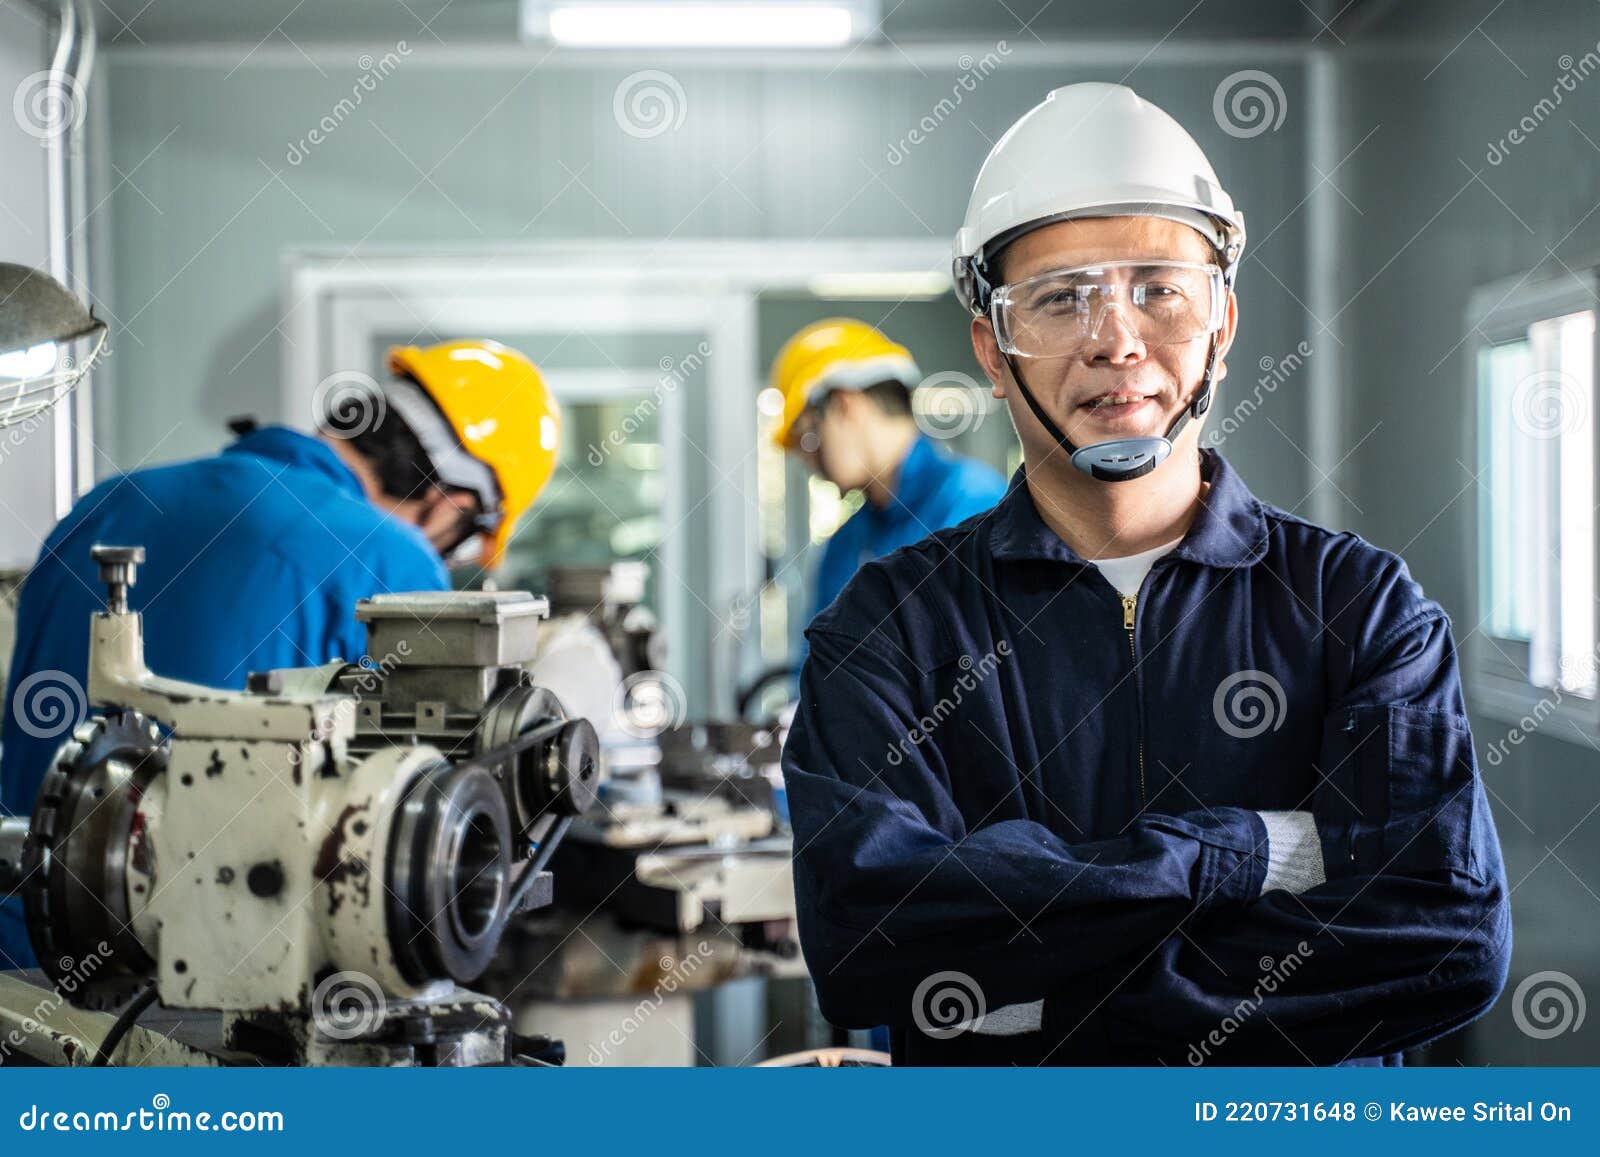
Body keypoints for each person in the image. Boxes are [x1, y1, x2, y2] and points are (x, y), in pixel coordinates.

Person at [782, 83, 1511, 1065]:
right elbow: (866, 942)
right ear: (993, 351)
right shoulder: (886, 625)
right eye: (1057, 297)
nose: (1117, 340)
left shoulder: (1360, 608)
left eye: (1160, 288)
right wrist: (1255, 852)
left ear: (1221, 323)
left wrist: (1053, 998)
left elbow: (1446, 941)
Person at [0, 338, 559, 969]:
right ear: (454, 504)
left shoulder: (109, 501)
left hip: (18, 965)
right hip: (191, 990)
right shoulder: (391, 558)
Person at [769, 319, 1006, 624]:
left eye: (809, 439)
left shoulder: (974, 505)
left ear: (845, 405)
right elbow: (815, 663)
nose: (812, 465)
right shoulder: (847, 540)